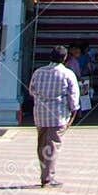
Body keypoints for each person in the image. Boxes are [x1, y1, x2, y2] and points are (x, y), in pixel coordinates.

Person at [28, 46, 80, 186]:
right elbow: (73, 96)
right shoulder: (67, 74)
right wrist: (74, 109)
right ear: (64, 58)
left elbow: (32, 91)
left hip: (40, 115)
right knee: (53, 145)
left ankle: (44, 173)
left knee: (42, 145)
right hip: (58, 115)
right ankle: (47, 178)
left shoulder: (38, 72)